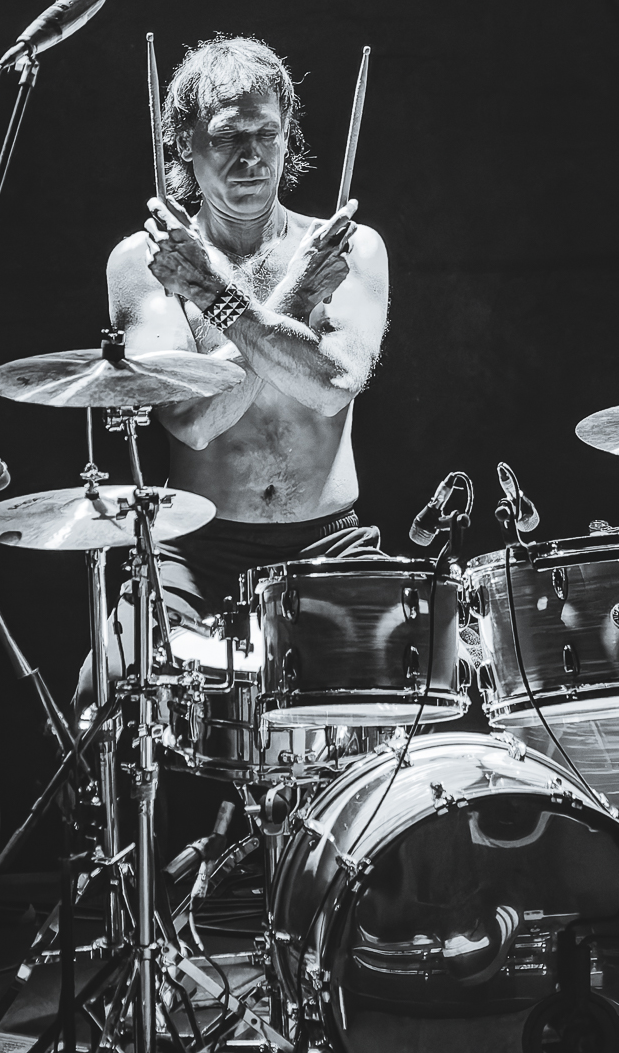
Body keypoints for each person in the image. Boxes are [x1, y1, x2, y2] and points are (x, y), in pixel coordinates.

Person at [75, 35, 389, 707]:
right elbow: (193, 421)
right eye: (227, 137)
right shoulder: (148, 260)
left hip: (330, 545)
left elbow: (331, 388)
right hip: (195, 551)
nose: (252, 157)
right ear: (184, 142)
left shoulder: (347, 248)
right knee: (110, 694)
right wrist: (294, 298)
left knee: (401, 709)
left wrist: (218, 295)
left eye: (266, 134)